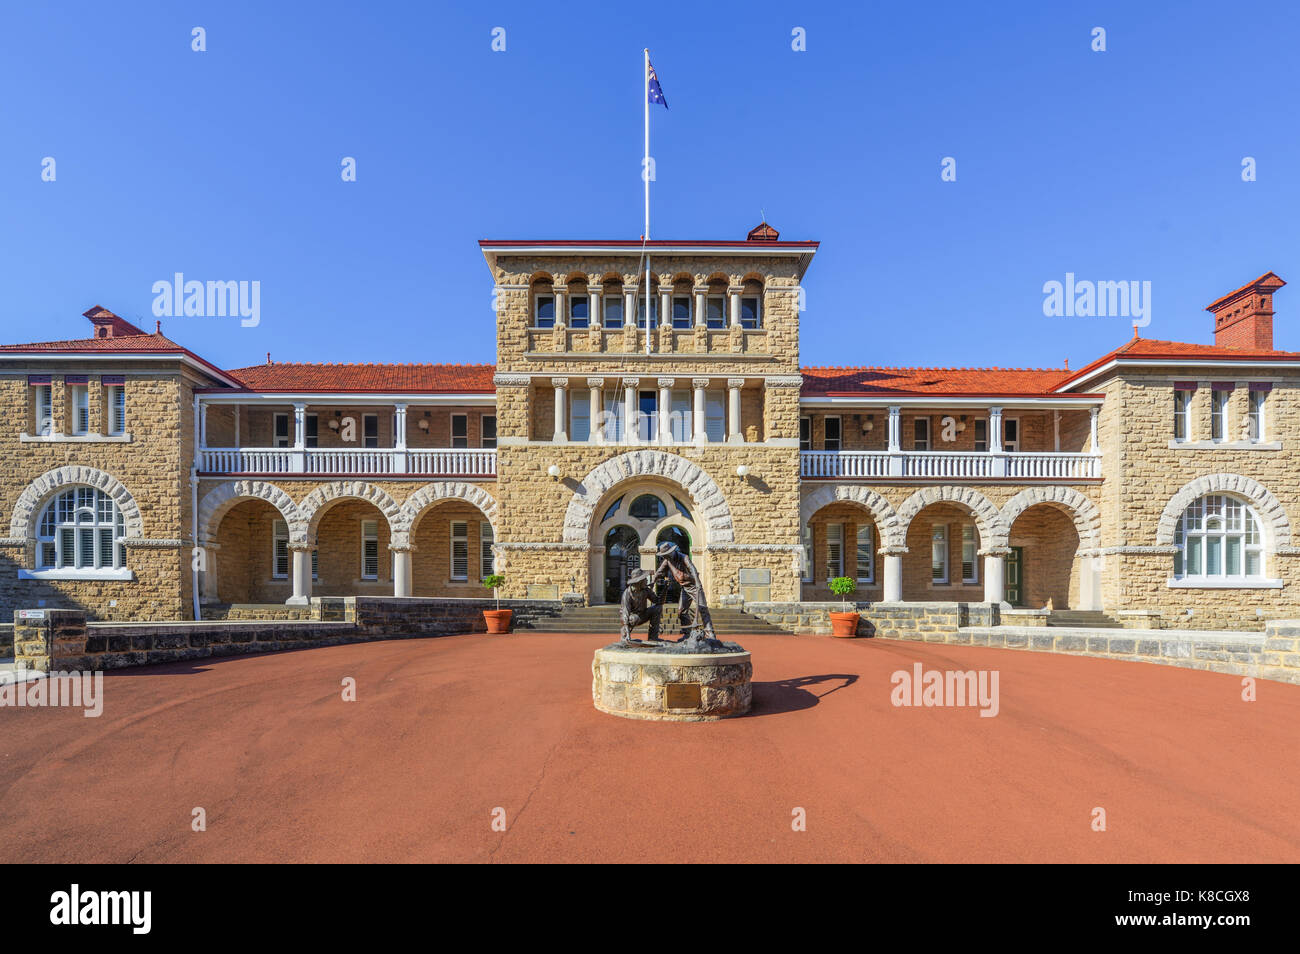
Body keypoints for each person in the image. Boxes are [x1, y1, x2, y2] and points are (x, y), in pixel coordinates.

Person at [653, 541, 716, 641]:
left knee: (702, 608)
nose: (665, 557)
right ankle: (688, 634)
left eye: (666, 554)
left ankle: (710, 633)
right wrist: (653, 581)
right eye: (664, 555)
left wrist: (698, 583)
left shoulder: (684, 557)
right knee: (681, 611)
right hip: (685, 588)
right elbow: (659, 572)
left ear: (671, 552)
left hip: (694, 586)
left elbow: (693, 569)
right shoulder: (667, 560)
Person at [619, 569, 663, 642]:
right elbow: (625, 613)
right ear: (639, 581)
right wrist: (627, 632)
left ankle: (653, 637)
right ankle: (625, 636)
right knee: (633, 618)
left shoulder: (646, 590)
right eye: (645, 579)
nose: (646, 581)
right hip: (632, 618)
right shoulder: (627, 593)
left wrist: (665, 589)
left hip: (643, 614)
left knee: (657, 608)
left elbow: (658, 601)